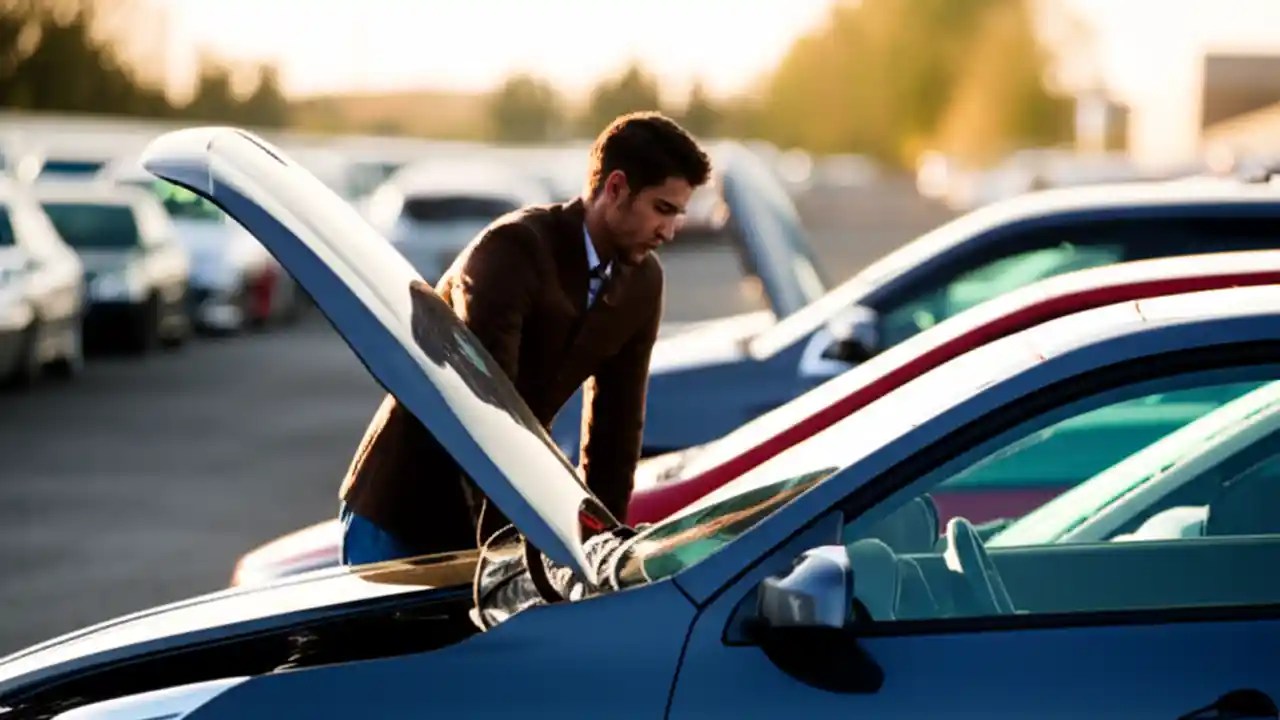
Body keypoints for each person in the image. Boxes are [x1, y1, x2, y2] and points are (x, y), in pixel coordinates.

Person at [338, 111, 713, 565]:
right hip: (401, 507)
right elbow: (486, 408)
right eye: (662, 209)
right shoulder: (513, 249)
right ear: (615, 189)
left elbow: (617, 426)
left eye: (677, 214)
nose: (670, 231)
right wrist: (512, 550)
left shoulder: (643, 282)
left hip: (495, 518)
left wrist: (604, 545)